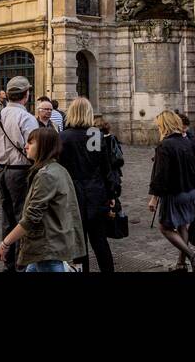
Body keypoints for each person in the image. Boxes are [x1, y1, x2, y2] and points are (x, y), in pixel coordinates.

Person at [0, 125, 85, 272]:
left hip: (47, 248)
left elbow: (31, 217)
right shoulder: (57, 169)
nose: (25, 147)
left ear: (43, 146)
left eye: (30, 143)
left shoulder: (47, 175)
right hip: (46, 246)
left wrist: (6, 243)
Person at [59, 96, 115, 273]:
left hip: (73, 193)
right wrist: (112, 194)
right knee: (99, 240)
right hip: (96, 192)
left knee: (79, 242)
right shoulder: (97, 135)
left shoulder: (64, 137)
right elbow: (107, 168)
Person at [0, 75, 38, 271]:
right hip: (21, 171)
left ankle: (9, 263)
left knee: (8, 217)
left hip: (2, 171)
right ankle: (21, 263)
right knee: (23, 218)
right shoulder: (26, 118)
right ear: (26, 95)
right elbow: (34, 148)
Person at [149, 109, 195, 272]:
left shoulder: (165, 144)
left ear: (164, 125)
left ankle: (192, 256)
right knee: (182, 226)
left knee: (165, 227)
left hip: (175, 193)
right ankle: (181, 264)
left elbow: (161, 175)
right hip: (190, 191)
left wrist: (154, 197)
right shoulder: (187, 141)